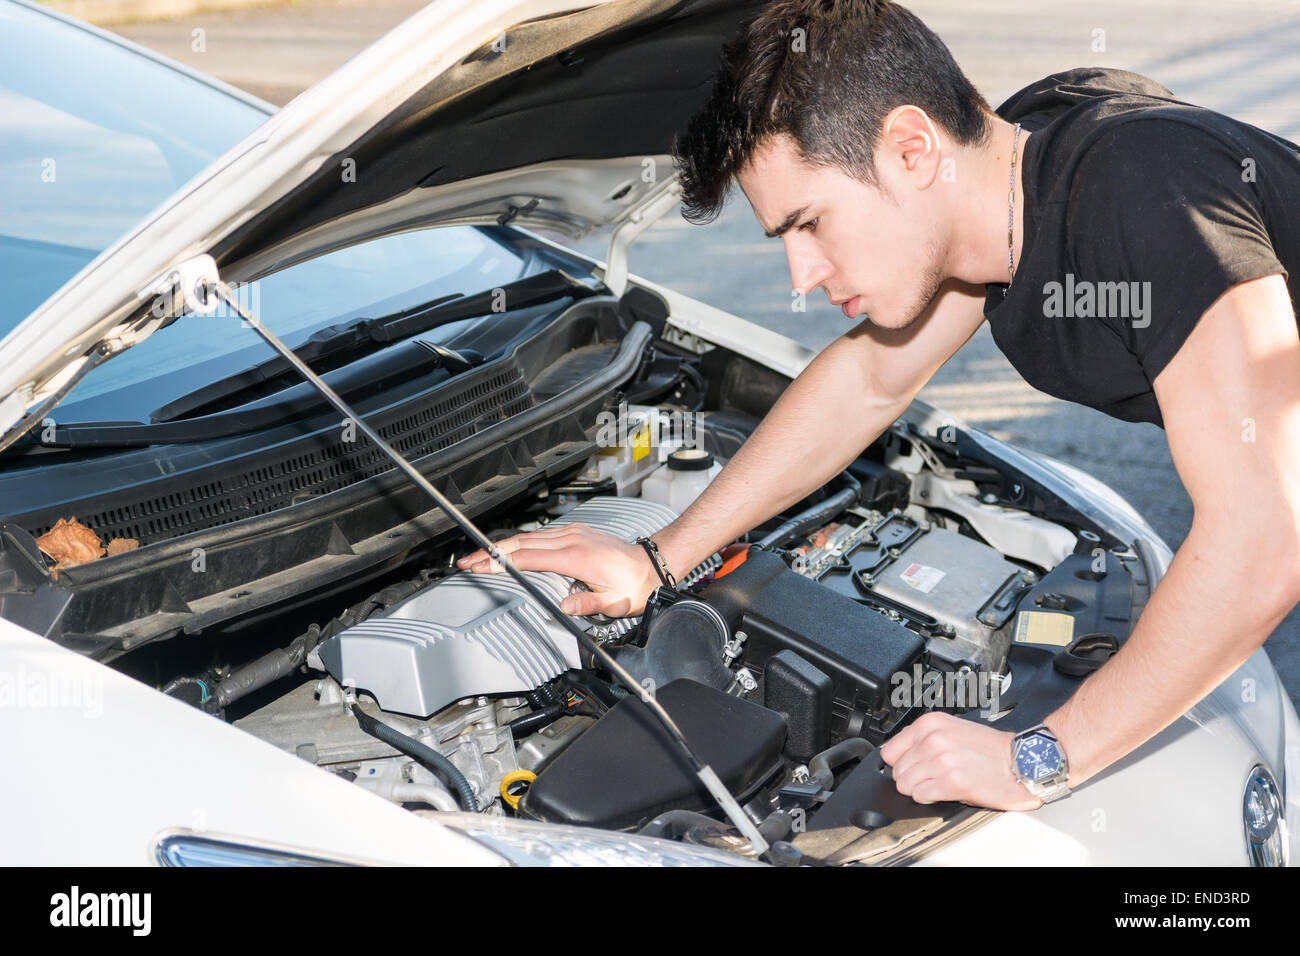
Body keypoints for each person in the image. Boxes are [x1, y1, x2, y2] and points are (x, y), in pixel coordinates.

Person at [458, 0, 1300, 811]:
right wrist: (657, 560)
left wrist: (1037, 758)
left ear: (910, 147)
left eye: (811, 223)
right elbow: (868, 381)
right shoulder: (1017, 171)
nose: (799, 275)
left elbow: (1263, 542)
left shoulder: (1145, 188)